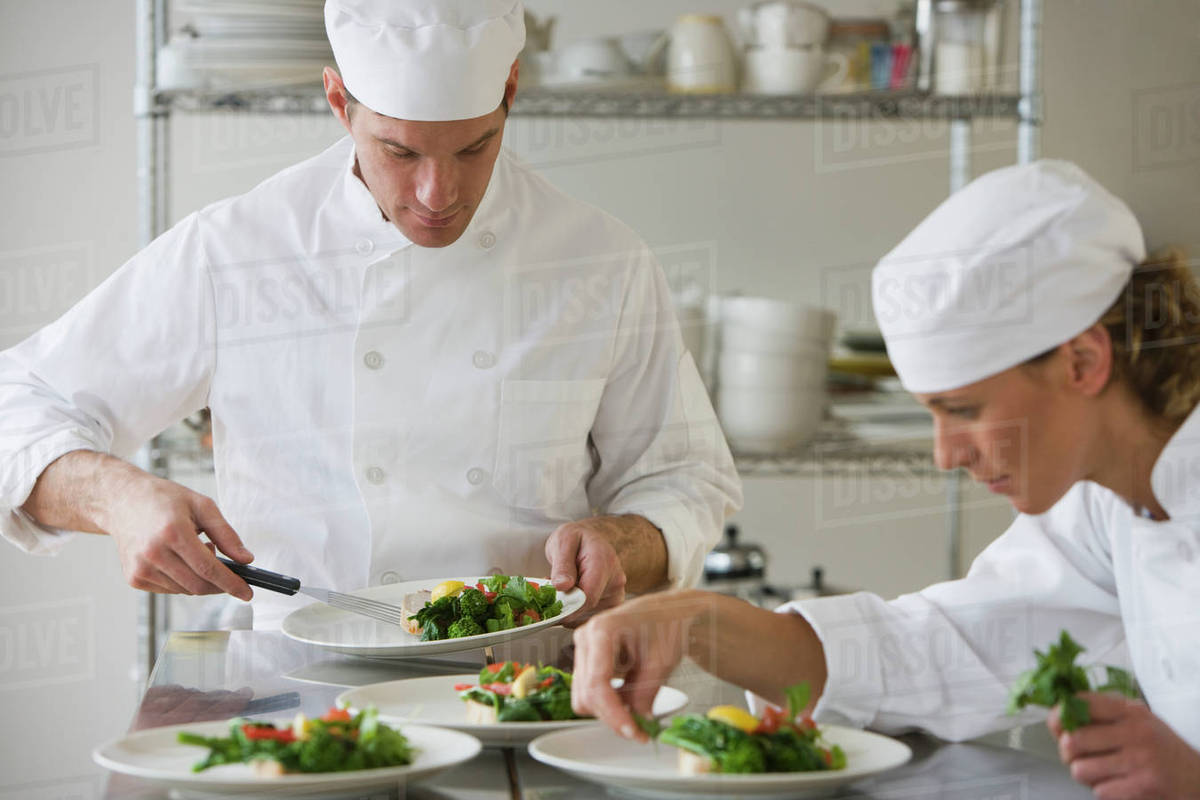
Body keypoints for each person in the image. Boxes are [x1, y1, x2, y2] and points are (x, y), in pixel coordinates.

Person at [0, 0, 741, 630]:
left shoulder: (600, 261)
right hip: (294, 686)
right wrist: (120, 497)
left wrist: (619, 540)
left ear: (512, 89)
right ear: (337, 101)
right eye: (399, 150)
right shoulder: (238, 251)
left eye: (475, 146)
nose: (436, 193)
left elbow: (684, 480)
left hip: (520, 684)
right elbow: (19, 402)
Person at [571, 160, 1200, 799]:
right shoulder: (1101, 504)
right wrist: (690, 621)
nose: (945, 456)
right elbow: (945, 653)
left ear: (1084, 362)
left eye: (963, 410)